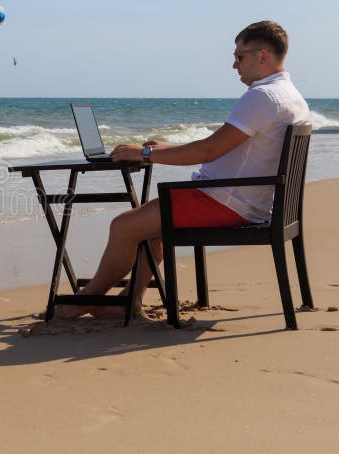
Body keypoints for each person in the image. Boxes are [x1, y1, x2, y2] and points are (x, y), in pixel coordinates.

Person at [56, 20, 311, 319]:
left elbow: (209, 151)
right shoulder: (290, 95)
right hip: (248, 200)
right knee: (149, 224)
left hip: (227, 203)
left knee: (123, 226)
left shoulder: (262, 96)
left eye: (239, 56)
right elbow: (221, 144)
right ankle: (131, 298)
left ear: (262, 56)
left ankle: (90, 298)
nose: (234, 64)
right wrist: (163, 148)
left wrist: (148, 155)